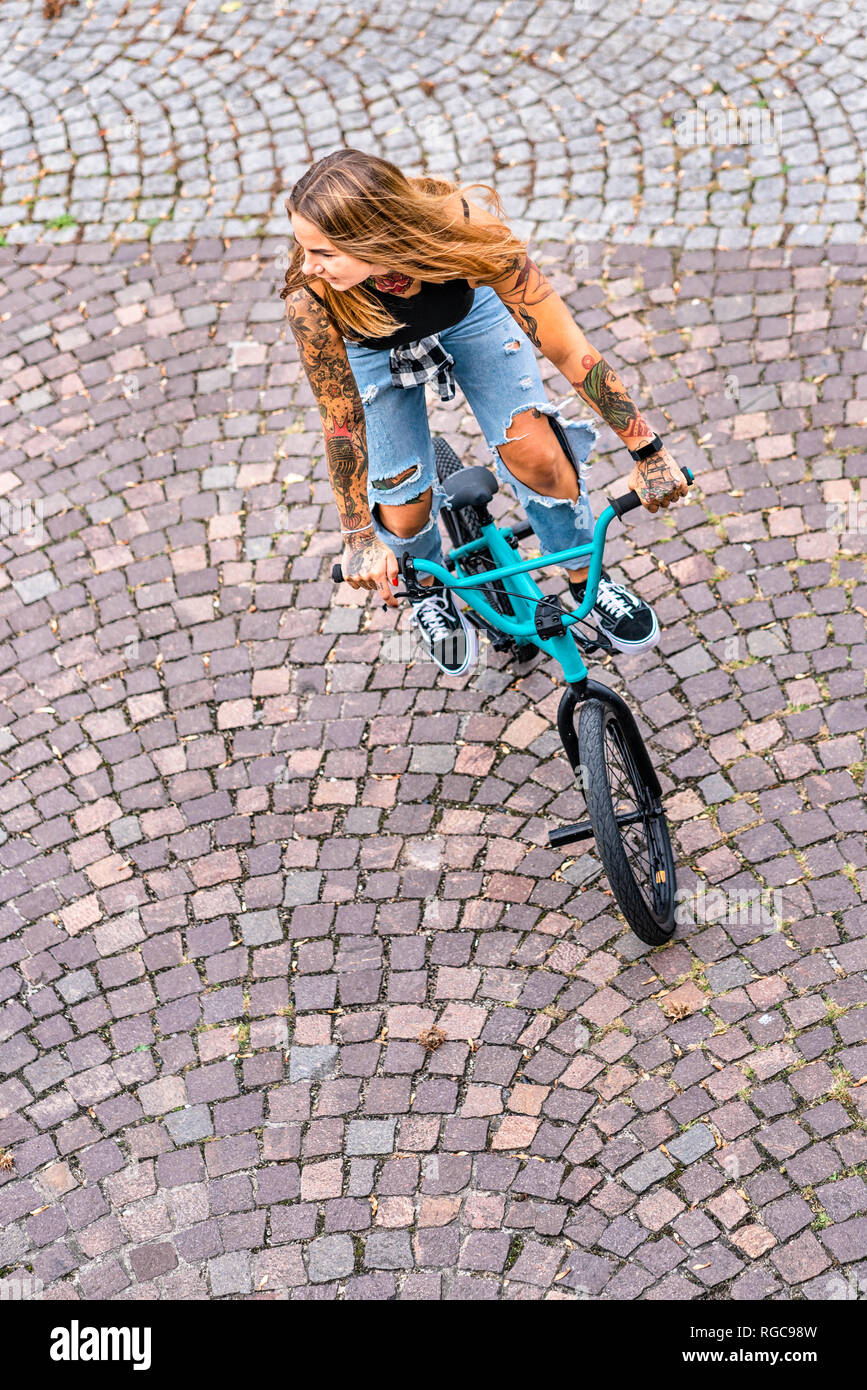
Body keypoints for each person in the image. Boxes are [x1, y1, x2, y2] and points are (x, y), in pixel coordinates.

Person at [281, 148, 688, 676]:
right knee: (404, 505)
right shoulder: (313, 295)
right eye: (302, 246)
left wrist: (648, 450)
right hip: (369, 345)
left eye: (324, 251)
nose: (306, 264)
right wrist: (360, 539)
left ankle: (582, 573)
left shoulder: (465, 232)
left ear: (374, 237)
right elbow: (341, 422)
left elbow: (568, 348)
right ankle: (428, 589)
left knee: (538, 454)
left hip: (469, 314)